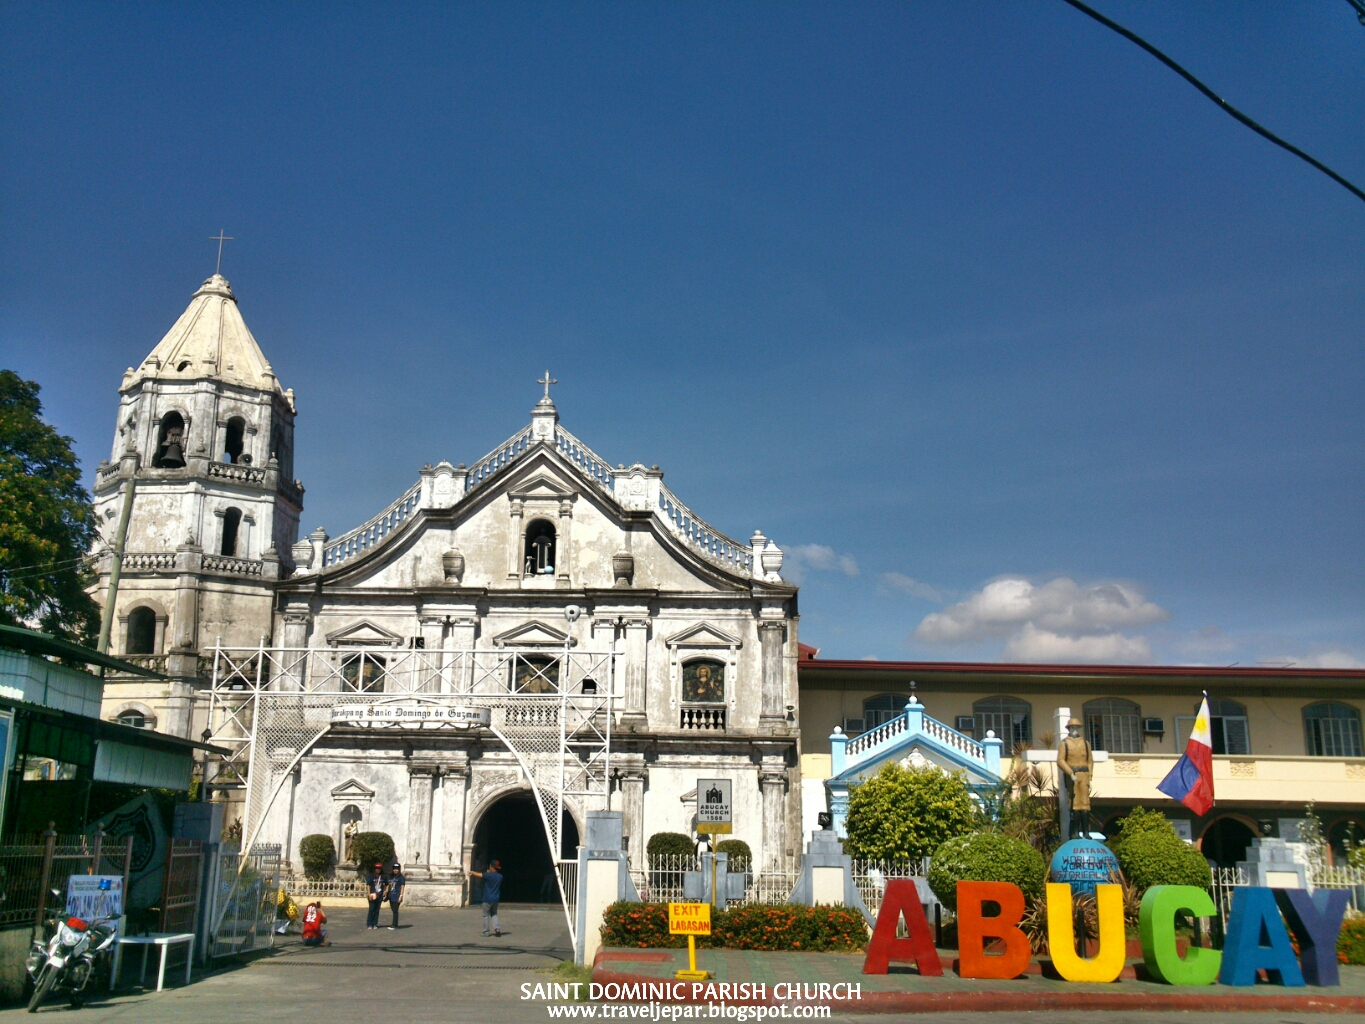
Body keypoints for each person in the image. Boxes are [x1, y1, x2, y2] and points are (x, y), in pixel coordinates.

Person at [1057, 716, 1095, 839]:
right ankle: (1074, 832)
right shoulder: (1064, 743)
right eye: (1072, 727)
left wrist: (1089, 775)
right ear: (1068, 729)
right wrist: (1070, 773)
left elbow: (1090, 760)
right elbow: (1060, 760)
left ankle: (1086, 832)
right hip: (1072, 775)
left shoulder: (1085, 743)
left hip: (1084, 774)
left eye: (1076, 727)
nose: (1074, 729)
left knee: (1085, 804)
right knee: (1074, 804)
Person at [469, 859, 503, 937]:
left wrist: (472, 872)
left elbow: (479, 875)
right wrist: (489, 872)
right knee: (494, 914)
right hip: (495, 898)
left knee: (486, 915)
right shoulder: (500, 877)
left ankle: (486, 932)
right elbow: (488, 875)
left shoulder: (488, 875)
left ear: (492, 867)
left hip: (487, 898)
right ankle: (497, 929)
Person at [366, 861, 387, 930]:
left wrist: (386, 891)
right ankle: (369, 924)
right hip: (372, 895)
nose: (378, 870)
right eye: (376, 869)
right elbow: (368, 885)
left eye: (379, 869)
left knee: (377, 910)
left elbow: (387, 884)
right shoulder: (371, 876)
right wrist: (369, 894)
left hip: (379, 895)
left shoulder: (383, 877)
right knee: (371, 910)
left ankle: (375, 924)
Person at [387, 862, 406, 929]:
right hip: (391, 895)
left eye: (397, 869)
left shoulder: (401, 878)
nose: (395, 870)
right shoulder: (392, 877)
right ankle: (394, 924)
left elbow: (402, 887)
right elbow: (389, 885)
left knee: (395, 911)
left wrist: (401, 896)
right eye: (394, 869)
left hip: (396, 896)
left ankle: (395, 925)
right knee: (393, 910)